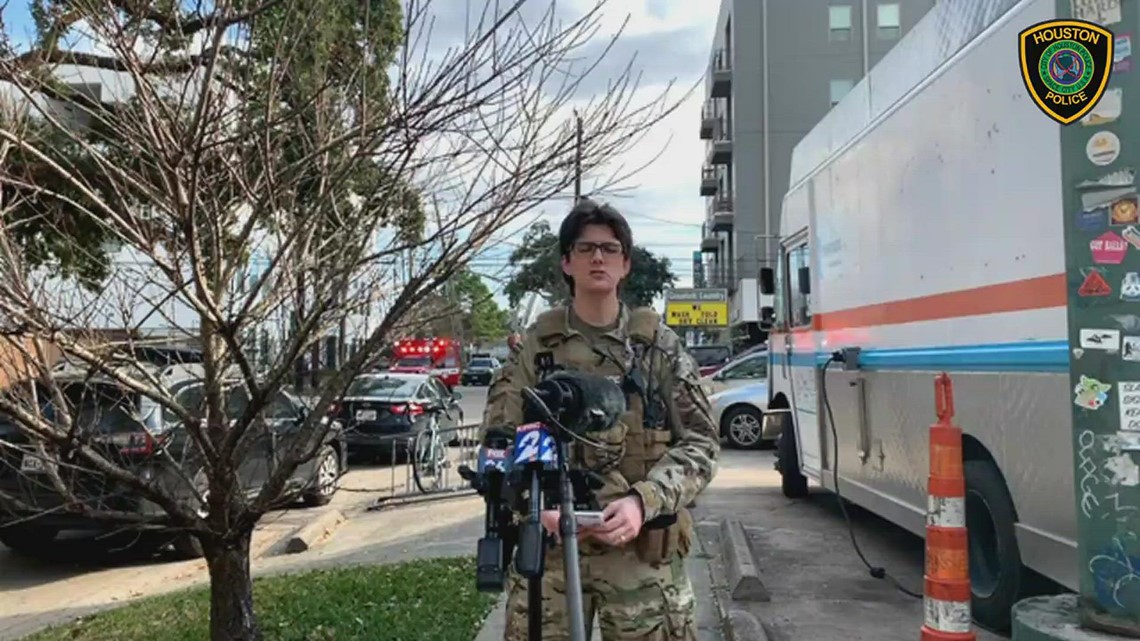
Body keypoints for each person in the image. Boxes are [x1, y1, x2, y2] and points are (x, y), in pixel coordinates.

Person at [482, 198, 720, 640]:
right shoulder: (535, 349)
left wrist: (643, 500)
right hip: (551, 557)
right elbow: (498, 441)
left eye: (609, 249)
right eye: (585, 248)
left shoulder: (657, 349)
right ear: (566, 262)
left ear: (625, 264)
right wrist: (534, 502)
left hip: (640, 559)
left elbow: (702, 445)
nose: (598, 257)